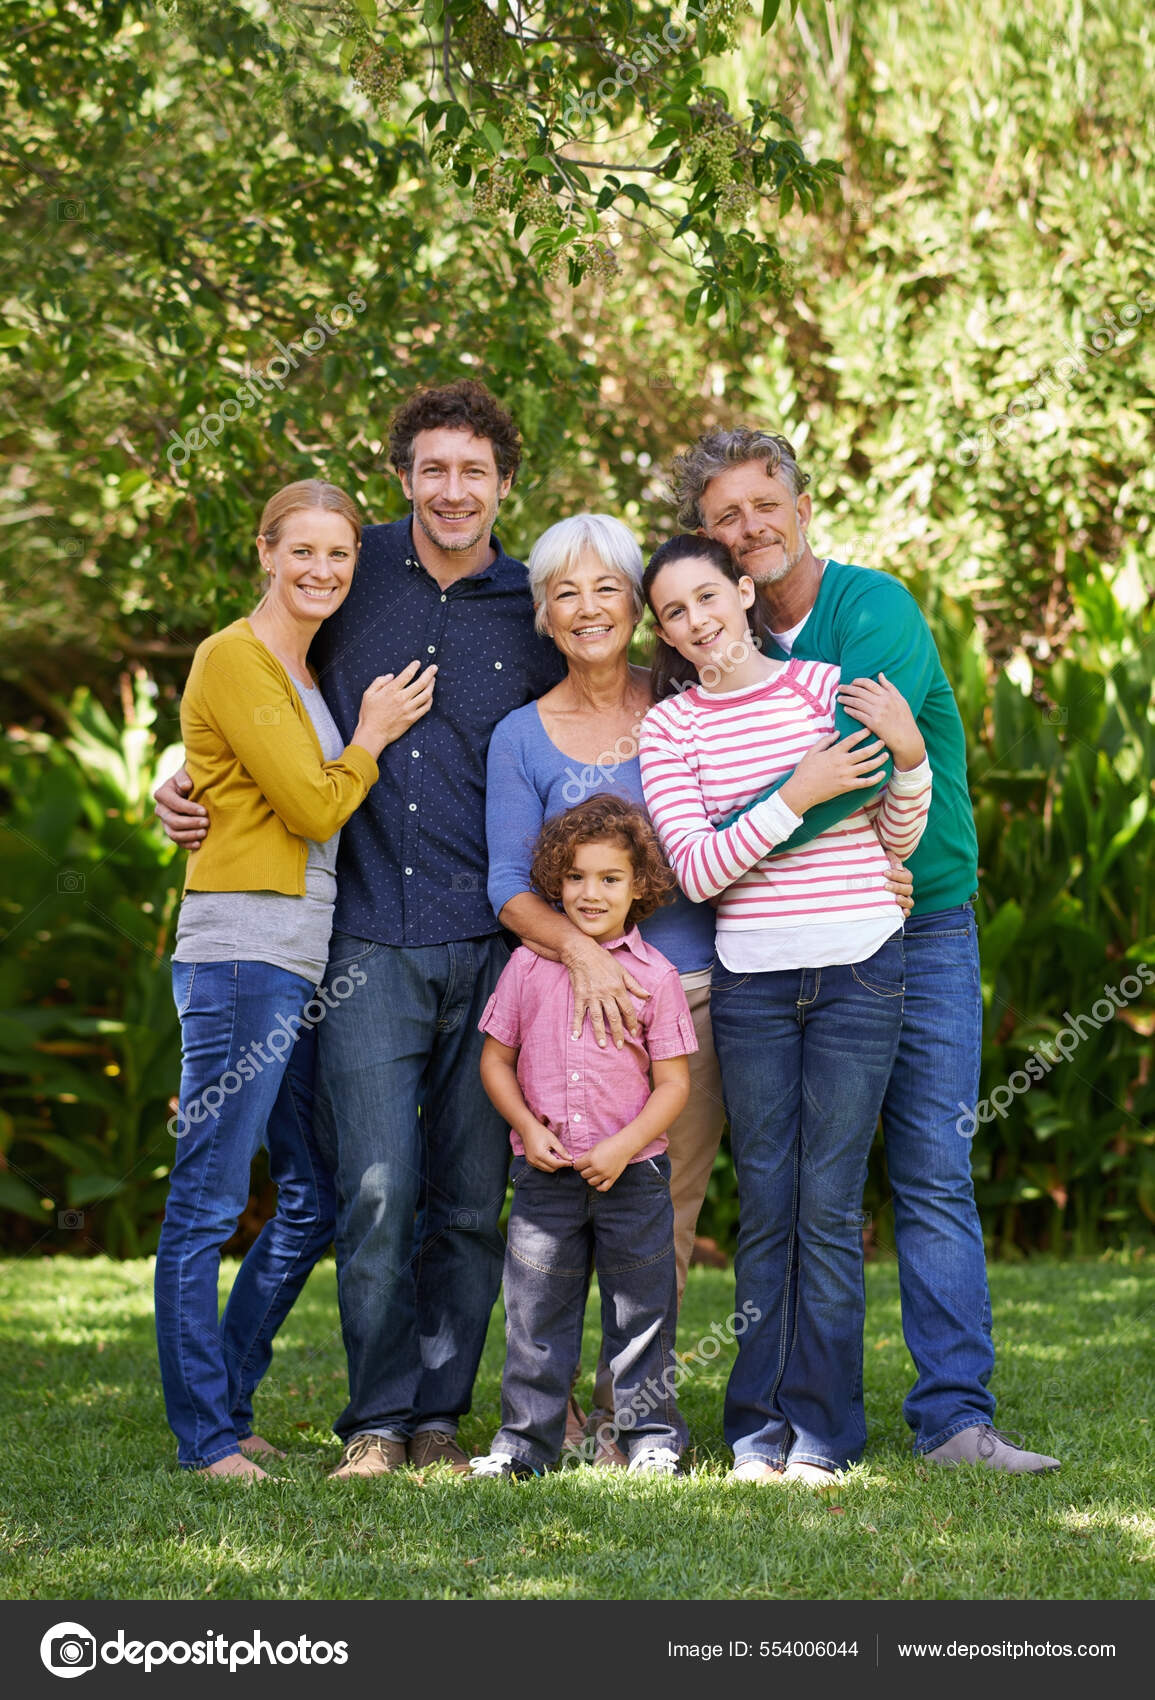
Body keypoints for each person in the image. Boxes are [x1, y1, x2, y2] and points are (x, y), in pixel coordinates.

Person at [155, 382, 566, 1477]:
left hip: (490, 944)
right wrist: (173, 775)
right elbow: (253, 680)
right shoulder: (349, 569)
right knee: (374, 1192)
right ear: (403, 478)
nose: (453, 489)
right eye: (432, 467)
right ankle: (377, 1421)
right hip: (359, 943)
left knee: (472, 1203)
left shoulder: (533, 607)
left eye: (474, 470)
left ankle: (439, 1415)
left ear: (505, 484)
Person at [676, 427, 1060, 1474]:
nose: (748, 527)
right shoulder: (714, 637)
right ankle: (788, 1415)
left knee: (931, 1165)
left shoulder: (874, 608)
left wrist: (724, 849)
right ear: (705, 536)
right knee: (793, 1189)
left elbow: (846, 767)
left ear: (802, 506)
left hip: (921, 914)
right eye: (724, 515)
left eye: (764, 504)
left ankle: (954, 1418)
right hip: (790, 942)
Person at [639, 535, 933, 1484]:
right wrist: (799, 792)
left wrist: (912, 756)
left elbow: (894, 821)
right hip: (753, 984)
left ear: (740, 588)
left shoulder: (821, 688)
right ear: (668, 634)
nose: (695, 621)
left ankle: (823, 1437)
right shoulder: (669, 729)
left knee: (827, 1205)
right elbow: (696, 868)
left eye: (706, 597)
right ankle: (756, 1431)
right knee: (767, 1207)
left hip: (857, 968)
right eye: (673, 613)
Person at [156, 479, 407, 1475]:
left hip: (301, 959)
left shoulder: (305, 671)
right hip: (238, 955)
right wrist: (373, 736)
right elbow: (310, 805)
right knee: (209, 1202)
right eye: (301, 550)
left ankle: (230, 1389)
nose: (321, 569)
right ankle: (205, 1434)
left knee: (316, 1193)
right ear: (265, 551)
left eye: (338, 555)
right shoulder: (235, 655)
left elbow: (230, 778)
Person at [484, 513, 724, 1458]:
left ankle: (632, 1416)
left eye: (606, 588)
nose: (587, 608)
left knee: (660, 1214)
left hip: (691, 996)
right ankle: (554, 1418)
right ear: (543, 612)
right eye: (564, 592)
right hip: (565, 1019)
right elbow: (506, 885)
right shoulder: (519, 736)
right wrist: (583, 955)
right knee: (551, 1234)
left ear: (638, 604)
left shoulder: (688, 706)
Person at [471, 797, 695, 1479]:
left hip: (633, 1177)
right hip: (546, 1178)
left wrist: (624, 1145)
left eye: (608, 878)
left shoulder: (655, 977)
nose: (589, 892)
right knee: (536, 1319)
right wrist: (526, 1128)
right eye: (574, 877)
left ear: (639, 888)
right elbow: (493, 1062)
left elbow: (674, 1086)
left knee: (642, 1315)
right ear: (553, 883)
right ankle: (523, 1447)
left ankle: (650, 1437)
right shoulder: (527, 968)